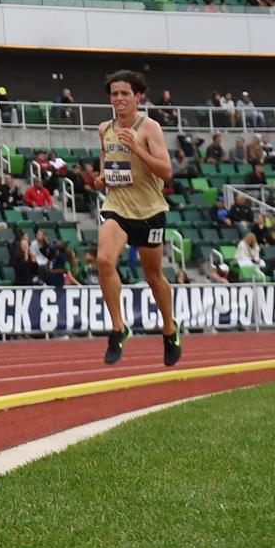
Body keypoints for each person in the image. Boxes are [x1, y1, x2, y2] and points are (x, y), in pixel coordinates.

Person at [88, 70, 182, 367]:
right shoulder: (105, 128)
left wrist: (136, 148)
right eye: (114, 94)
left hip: (150, 211)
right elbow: (107, 158)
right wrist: (102, 177)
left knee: (153, 277)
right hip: (117, 207)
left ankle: (169, 329)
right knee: (104, 260)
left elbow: (166, 172)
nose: (118, 99)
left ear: (137, 96)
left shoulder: (149, 127)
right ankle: (119, 328)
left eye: (124, 93)